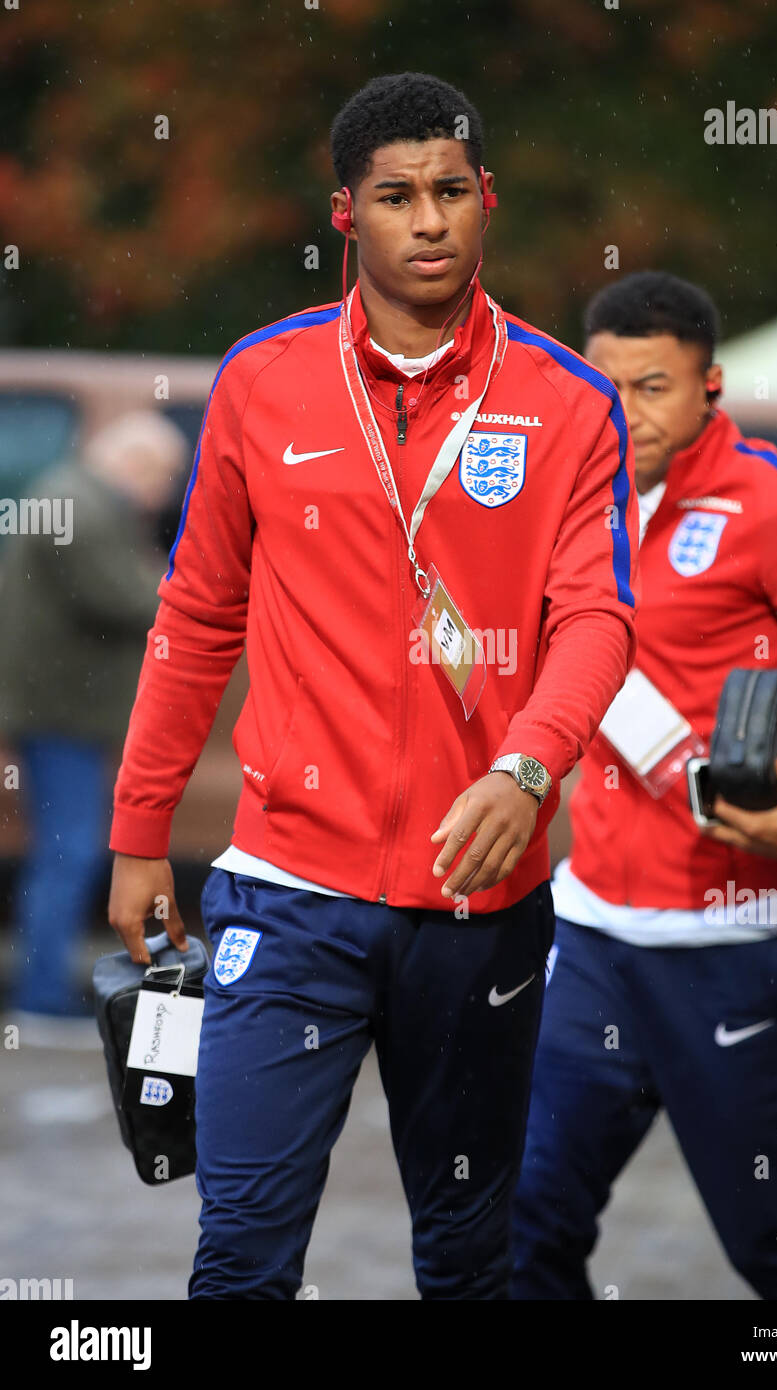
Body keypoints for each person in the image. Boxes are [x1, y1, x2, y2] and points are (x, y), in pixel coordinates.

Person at [106, 72, 639, 1300]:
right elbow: (194, 618)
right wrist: (140, 835)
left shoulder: (566, 403)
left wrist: (529, 761)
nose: (429, 220)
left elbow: (598, 621)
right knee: (239, 1256)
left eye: (451, 191)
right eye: (396, 196)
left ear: (485, 201)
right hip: (288, 895)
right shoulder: (262, 381)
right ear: (346, 214)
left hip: (480, 910)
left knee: (463, 1261)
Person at [511, 271, 777, 1300]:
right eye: (602, 386)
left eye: (651, 386)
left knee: (772, 1249)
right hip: (594, 934)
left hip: (736, 947)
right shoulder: (567, 504)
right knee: (520, 1225)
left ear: (710, 386)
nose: (622, 412)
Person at [0, 411, 186, 1044]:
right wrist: (190, 585)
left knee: (64, 847)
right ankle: (43, 1000)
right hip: (62, 713)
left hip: (60, 708)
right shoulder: (80, 504)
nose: (165, 491)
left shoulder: (70, 495)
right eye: (165, 475)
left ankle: (44, 991)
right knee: (67, 850)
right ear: (136, 464)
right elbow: (131, 597)